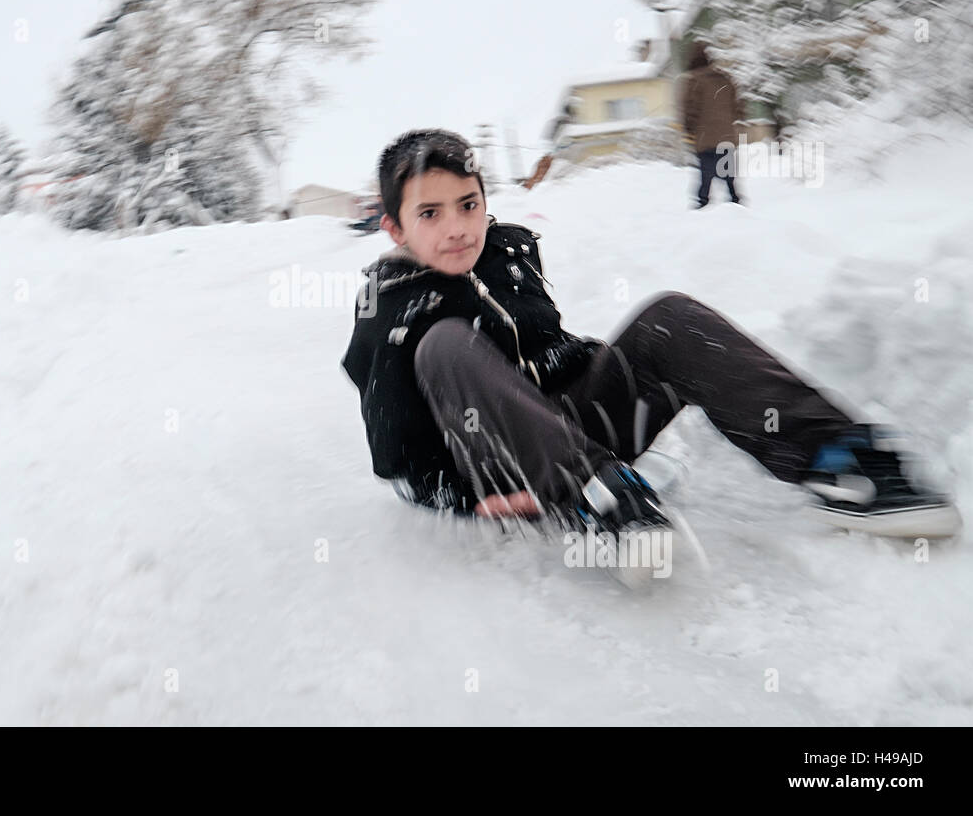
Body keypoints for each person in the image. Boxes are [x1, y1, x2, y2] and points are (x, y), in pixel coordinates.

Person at [339, 128, 960, 545]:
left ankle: (835, 457)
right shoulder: (389, 307)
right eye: (430, 213)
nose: (457, 227)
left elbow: (545, 350)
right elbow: (397, 455)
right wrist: (461, 501)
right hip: (501, 468)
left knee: (668, 315)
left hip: (578, 434)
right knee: (444, 345)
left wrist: (608, 369)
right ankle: (595, 499)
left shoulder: (509, 252)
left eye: (467, 204)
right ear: (394, 228)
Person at [678, 42, 743, 208]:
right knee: (728, 175)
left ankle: (702, 207)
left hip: (705, 138)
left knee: (705, 176)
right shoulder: (725, 79)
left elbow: (689, 109)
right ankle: (737, 206)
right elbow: (738, 107)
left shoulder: (694, 80)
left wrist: (689, 129)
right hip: (726, 137)